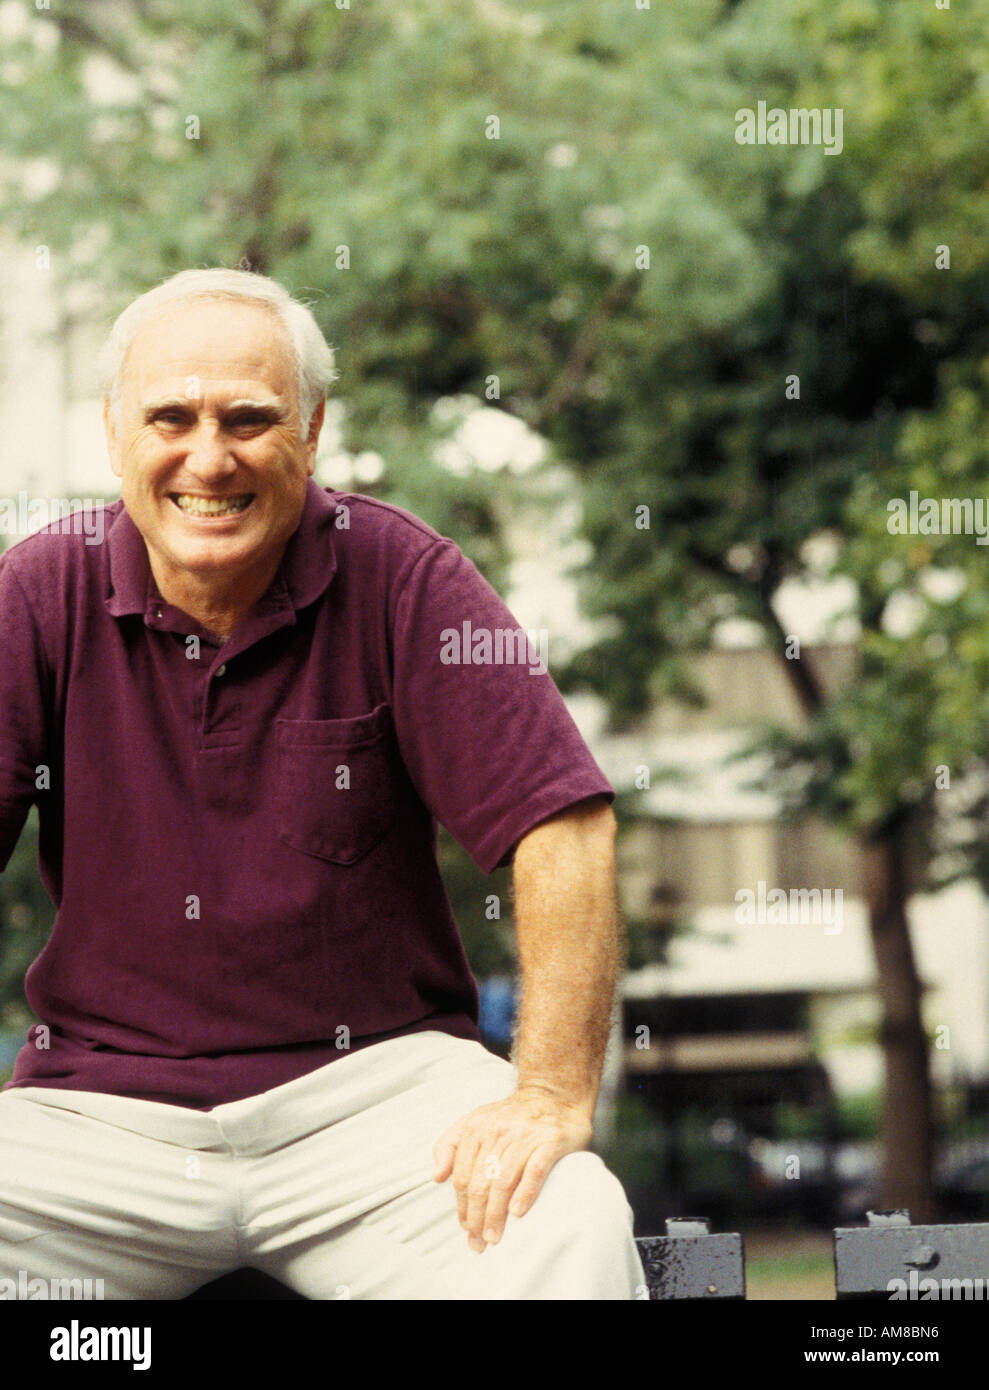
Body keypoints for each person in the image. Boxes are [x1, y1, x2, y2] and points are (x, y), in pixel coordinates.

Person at [0, 268, 644, 1300]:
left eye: (249, 419)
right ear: (116, 430)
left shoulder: (405, 576)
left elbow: (561, 824)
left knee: (565, 1222)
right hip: (97, 1116)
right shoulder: (39, 590)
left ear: (311, 430)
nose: (208, 457)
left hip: (382, 1102)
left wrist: (551, 1095)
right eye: (170, 416)